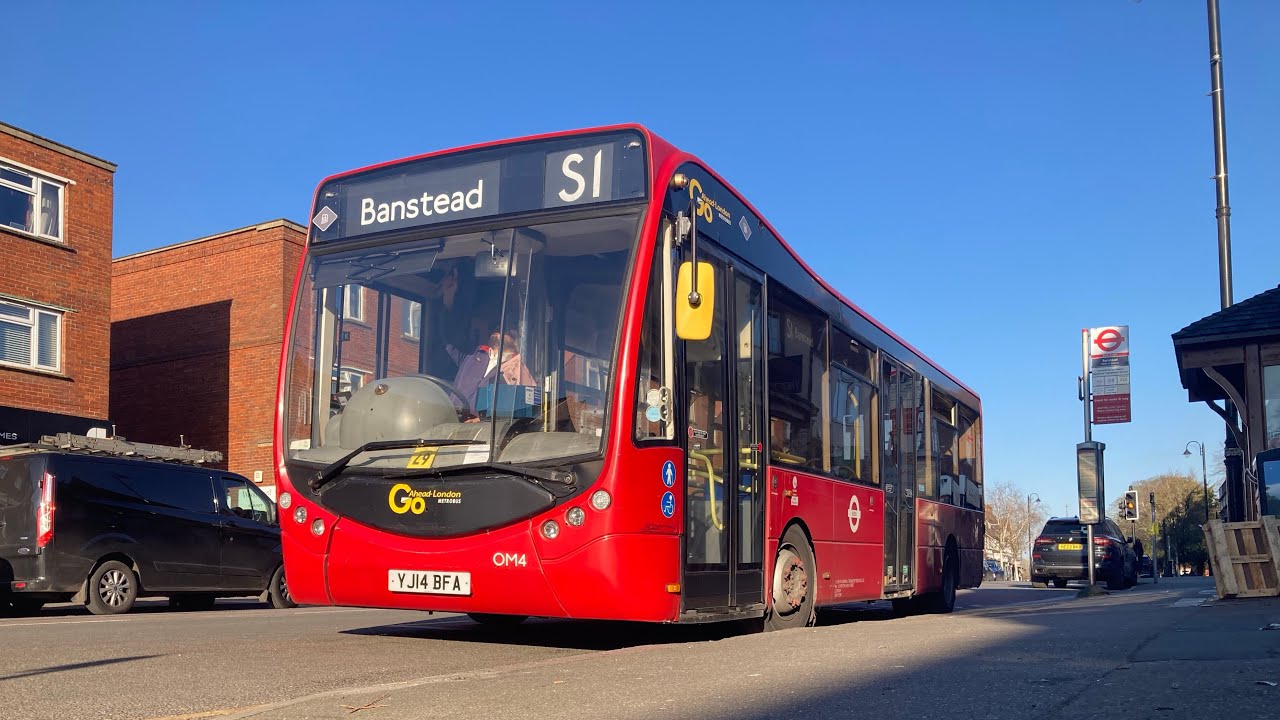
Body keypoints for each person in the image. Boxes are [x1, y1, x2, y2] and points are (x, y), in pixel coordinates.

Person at [450, 330, 534, 420]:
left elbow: (523, 406)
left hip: (481, 426)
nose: (508, 361)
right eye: (504, 356)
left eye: (511, 357)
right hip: (450, 417)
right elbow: (449, 345)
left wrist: (482, 419)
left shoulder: (514, 372)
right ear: (491, 352)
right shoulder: (471, 358)